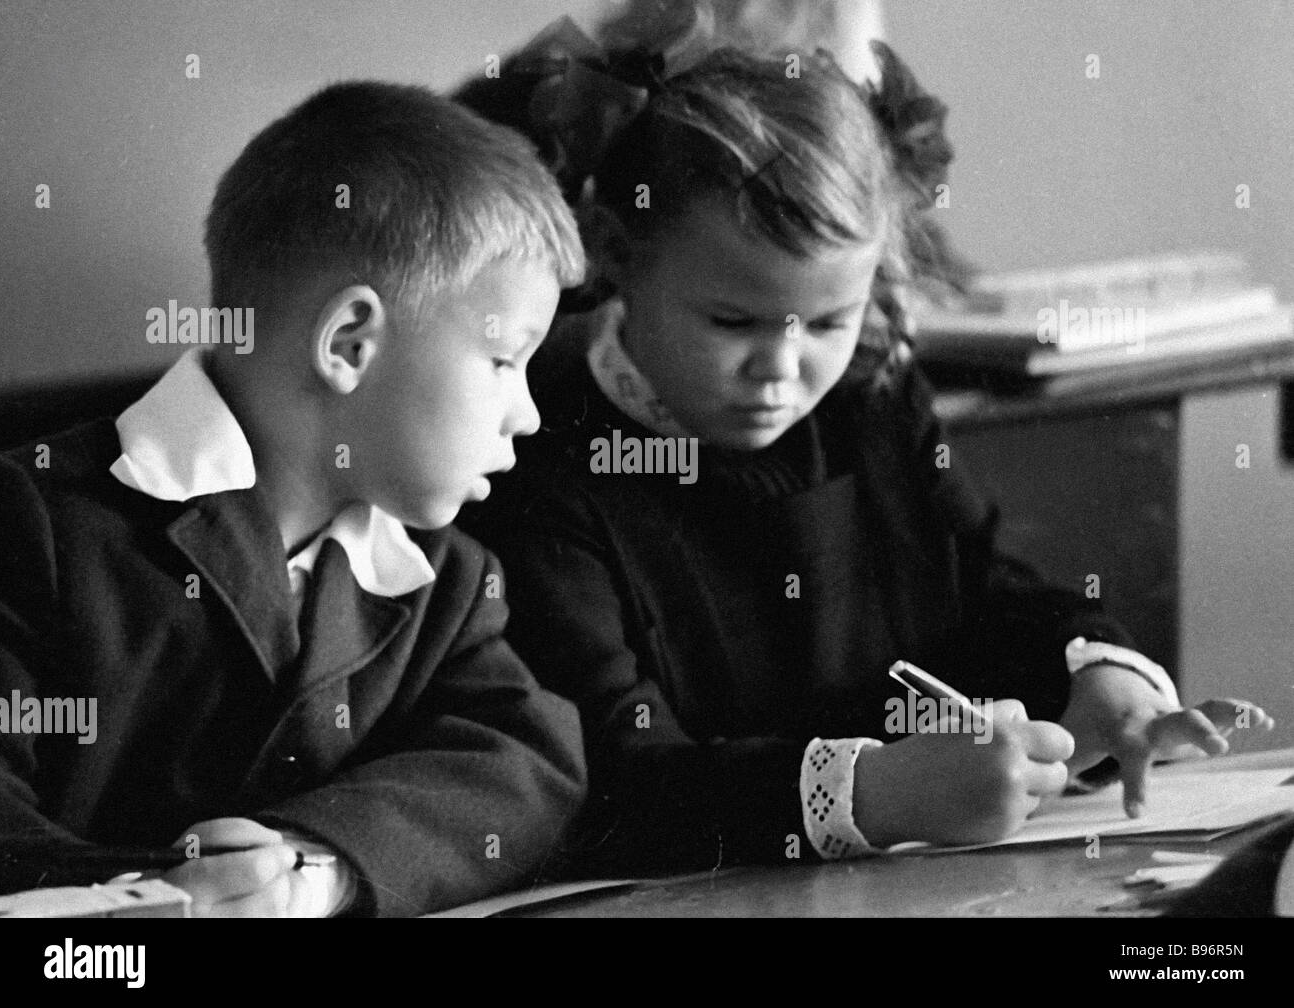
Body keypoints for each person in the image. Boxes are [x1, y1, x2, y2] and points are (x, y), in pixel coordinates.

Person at [457, 17, 1272, 873]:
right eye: (732, 321)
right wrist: (875, 794)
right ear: (620, 254)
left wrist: (1097, 677)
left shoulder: (871, 400)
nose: (781, 368)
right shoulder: (541, 462)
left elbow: (982, 593)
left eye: (828, 322)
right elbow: (608, 785)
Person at [0, 81, 588, 915]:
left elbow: (525, 765)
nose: (528, 413)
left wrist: (316, 870)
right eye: (503, 362)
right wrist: (165, 896)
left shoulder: (443, 582)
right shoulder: (33, 520)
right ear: (350, 342)